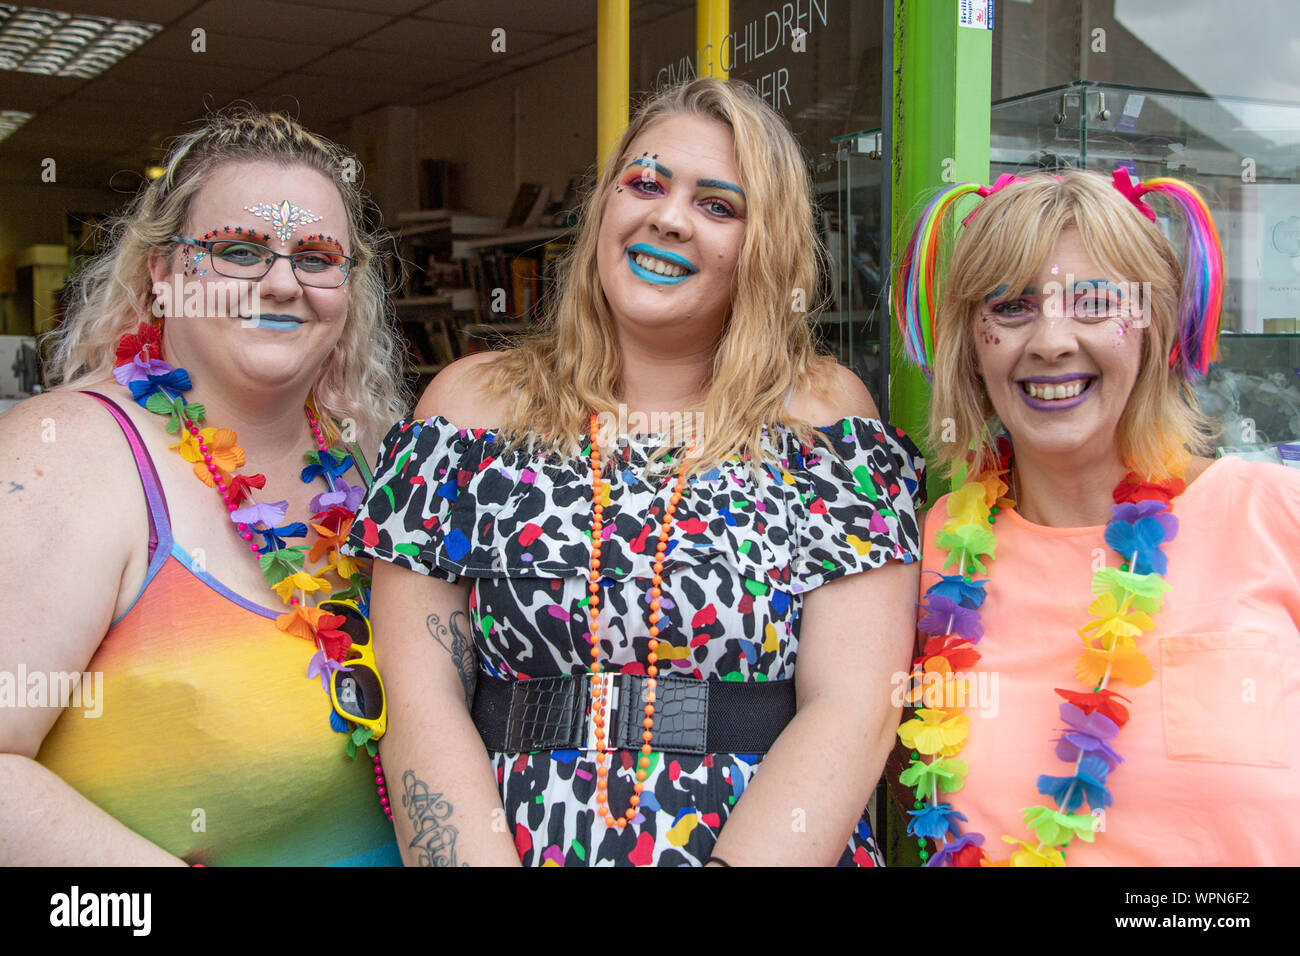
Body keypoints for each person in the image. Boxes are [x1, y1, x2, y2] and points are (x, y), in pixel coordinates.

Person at [344, 77, 925, 867]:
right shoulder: (471, 408)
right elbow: (419, 702)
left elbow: (854, 707)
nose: (668, 216)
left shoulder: (822, 420)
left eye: (718, 205)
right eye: (645, 183)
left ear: (766, 245)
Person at [0, 109, 407, 865]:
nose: (282, 283)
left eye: (316, 258)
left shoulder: (367, 462)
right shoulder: (68, 456)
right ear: (163, 272)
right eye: (241, 251)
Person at [891, 168, 1300, 866]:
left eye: (1095, 302)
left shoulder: (1272, 515)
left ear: (1155, 327)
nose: (1051, 340)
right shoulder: (923, 562)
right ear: (969, 342)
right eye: (1012, 306)